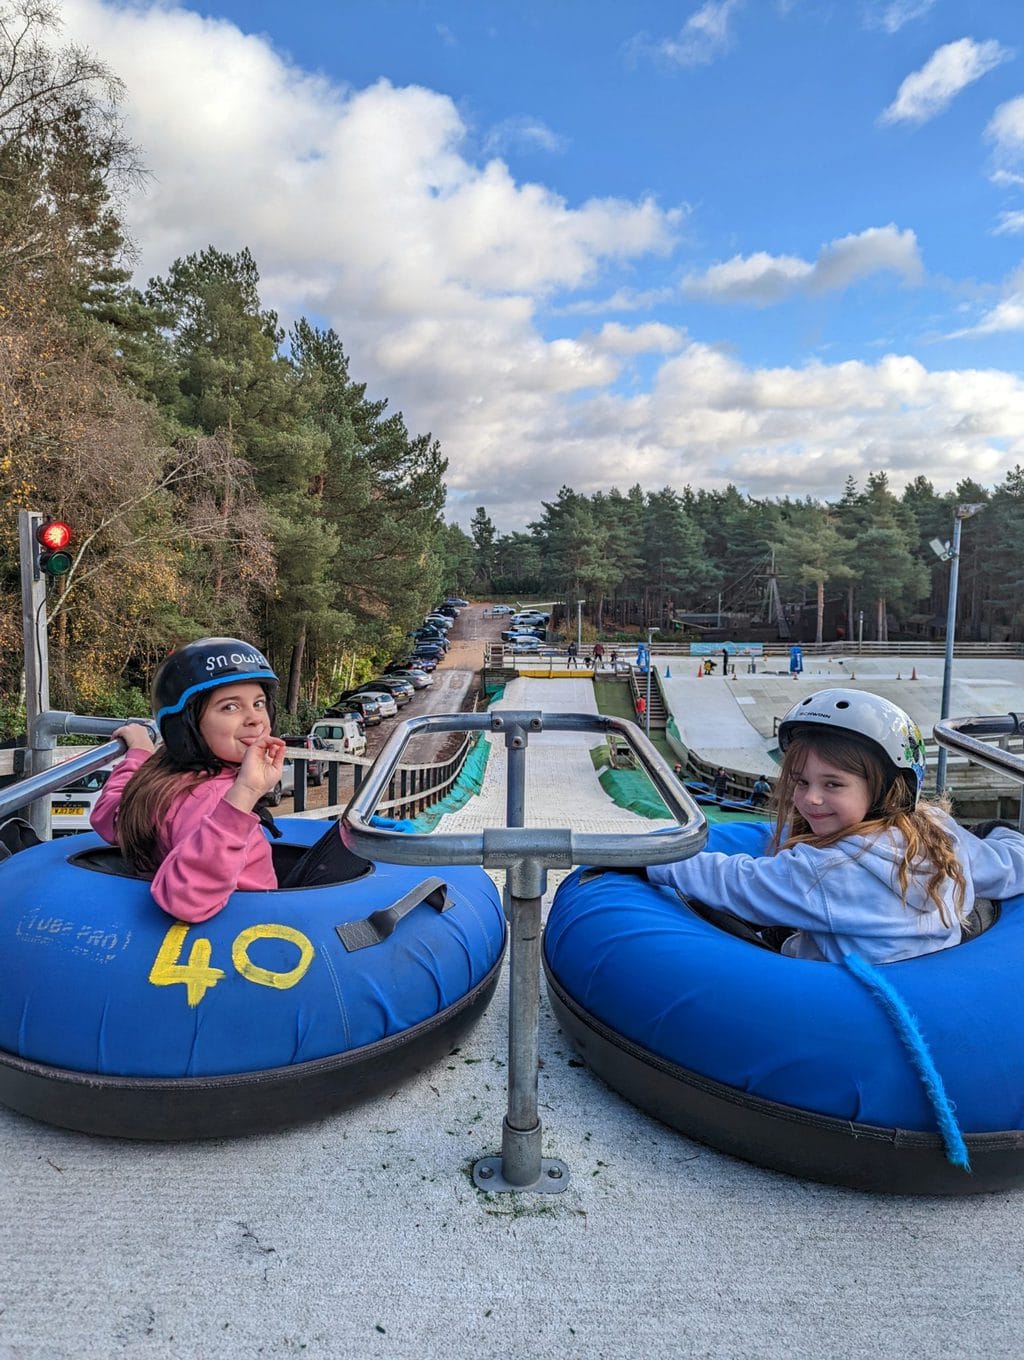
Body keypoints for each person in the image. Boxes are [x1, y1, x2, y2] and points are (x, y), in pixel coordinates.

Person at [646, 688, 1024, 966]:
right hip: (927, 978)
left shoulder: (824, 870)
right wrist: (1008, 836)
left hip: (840, 1007)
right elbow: (1004, 871)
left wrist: (653, 855)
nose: (810, 799)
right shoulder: (938, 831)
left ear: (884, 789)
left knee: (717, 917)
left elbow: (732, 881)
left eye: (833, 784)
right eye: (800, 781)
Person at [91, 637, 363, 923]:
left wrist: (138, 754)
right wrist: (244, 793)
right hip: (253, 927)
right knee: (356, 840)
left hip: (244, 913)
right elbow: (184, 899)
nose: (255, 719)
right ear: (188, 724)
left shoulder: (162, 778)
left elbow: (108, 815)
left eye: (258, 703)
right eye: (230, 707)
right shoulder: (216, 799)